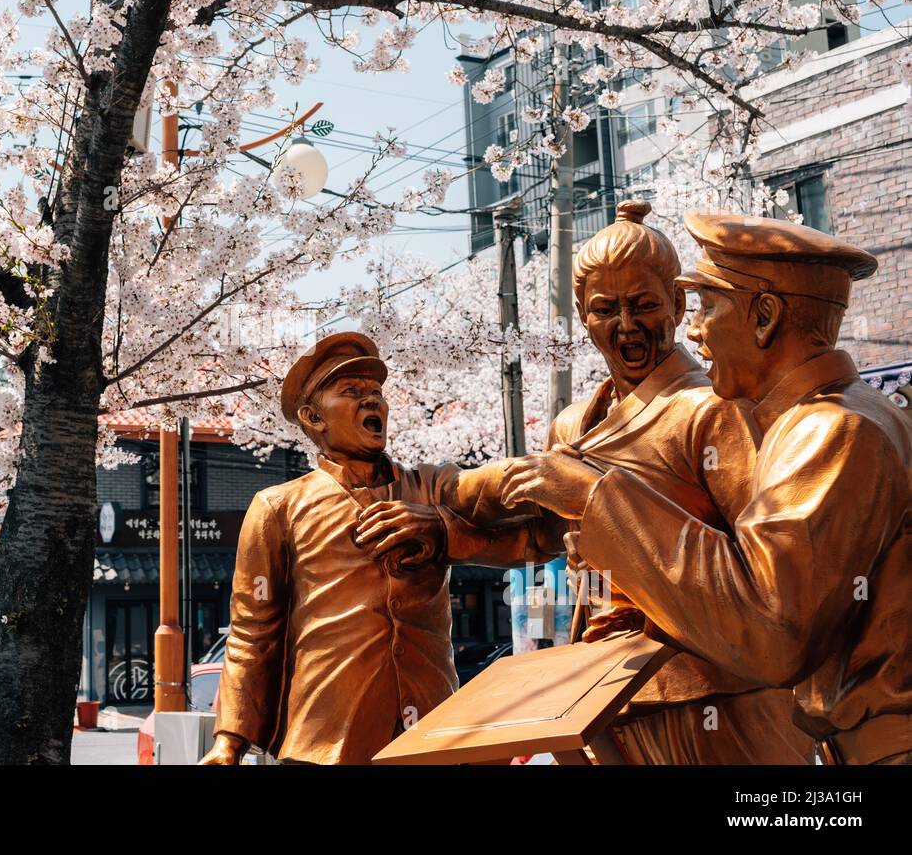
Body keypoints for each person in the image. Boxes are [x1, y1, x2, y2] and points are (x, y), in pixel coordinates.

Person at [498, 210, 912, 765]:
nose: (694, 329)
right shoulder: (819, 419)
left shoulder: (831, 427)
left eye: (708, 306)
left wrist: (606, 506)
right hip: (634, 697)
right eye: (603, 309)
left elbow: (770, 624)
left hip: (767, 719)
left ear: (763, 317)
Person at [435, 200, 811, 763]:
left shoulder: (714, 407)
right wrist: (445, 537)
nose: (627, 327)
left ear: (679, 305)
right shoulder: (574, 423)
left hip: (716, 693)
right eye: (606, 309)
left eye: (644, 306)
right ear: (582, 314)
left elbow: (765, 573)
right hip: (603, 688)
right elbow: (543, 534)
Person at [201, 332, 514, 765]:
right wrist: (230, 740)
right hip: (326, 733)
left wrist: (444, 530)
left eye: (377, 392)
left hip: (429, 726)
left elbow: (511, 523)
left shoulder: (430, 488)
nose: (372, 402)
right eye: (351, 392)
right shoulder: (279, 508)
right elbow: (253, 633)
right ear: (313, 417)